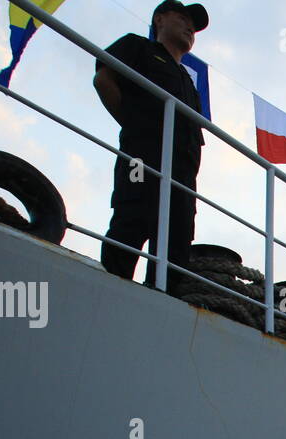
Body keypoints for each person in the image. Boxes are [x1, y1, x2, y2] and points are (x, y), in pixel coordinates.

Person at [96, 1, 209, 295]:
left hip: (183, 177)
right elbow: (104, 79)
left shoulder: (189, 82)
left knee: (176, 245)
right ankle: (107, 296)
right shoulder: (137, 47)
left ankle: (162, 303)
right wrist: (135, 125)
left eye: (193, 27)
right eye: (183, 18)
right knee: (131, 222)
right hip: (141, 159)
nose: (189, 28)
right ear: (159, 19)